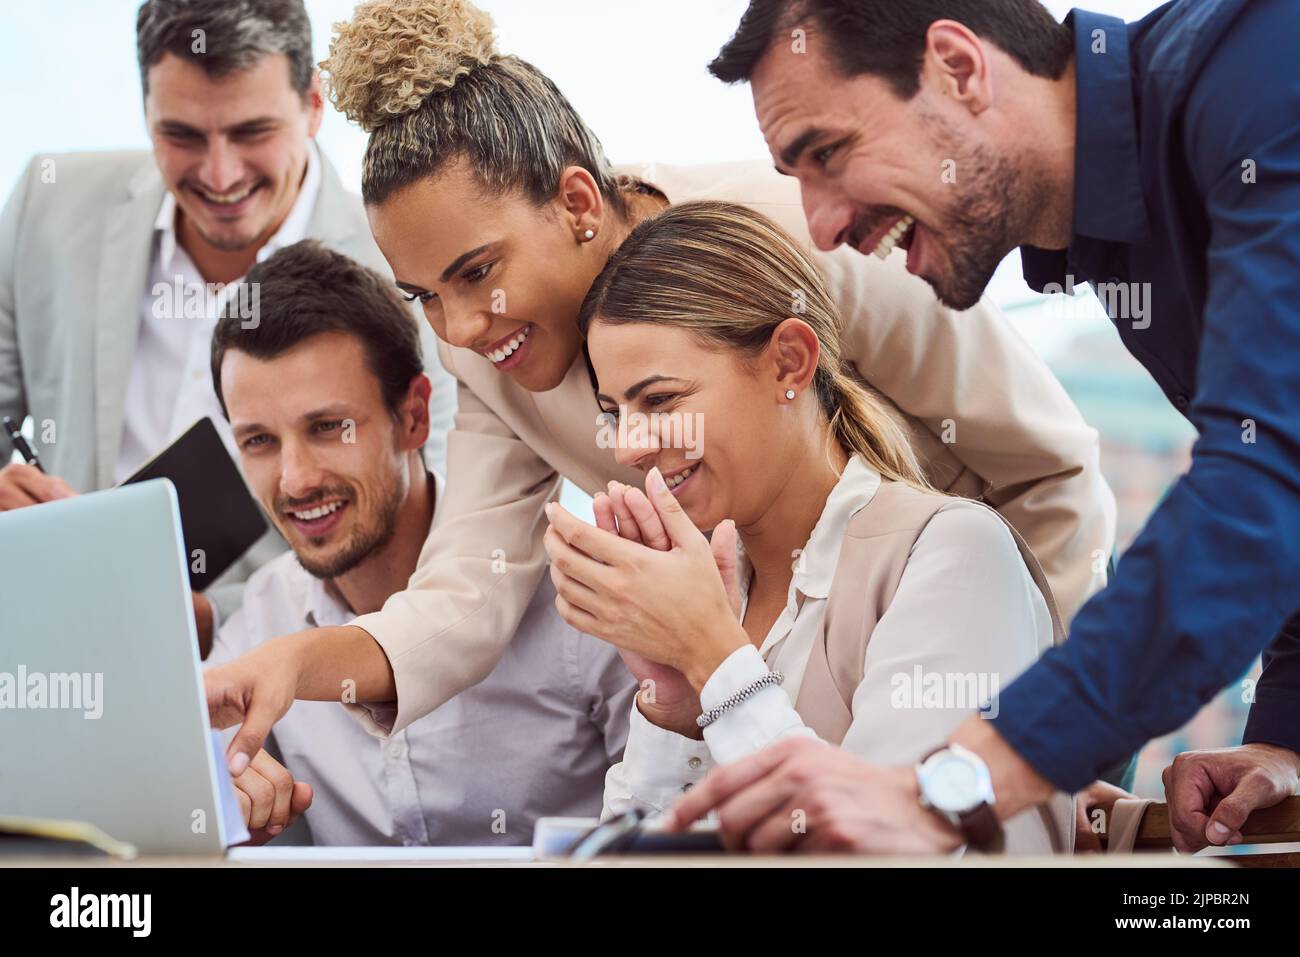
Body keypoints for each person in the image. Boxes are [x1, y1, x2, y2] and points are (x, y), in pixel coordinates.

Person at [202, 0, 1116, 782]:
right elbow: (466, 592)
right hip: (751, 676)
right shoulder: (487, 355)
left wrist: (1054, 732)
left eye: (479, 273)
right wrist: (294, 660)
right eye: (424, 296)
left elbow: (1047, 469)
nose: (462, 329)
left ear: (577, 202)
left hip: (956, 628)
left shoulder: (800, 231)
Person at [669, 0, 1300, 853]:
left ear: (959, 69)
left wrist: (949, 786)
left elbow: (1262, 488)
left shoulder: (1261, 78)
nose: (822, 224)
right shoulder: (1126, 249)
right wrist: (1288, 733)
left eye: (827, 153)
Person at [542, 200, 1073, 853]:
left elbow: (885, 856)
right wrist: (675, 708)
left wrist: (714, 658)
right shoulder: (716, 587)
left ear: (789, 363)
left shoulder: (954, 554)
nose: (627, 446)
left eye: (659, 400)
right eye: (614, 410)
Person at [0, 0, 455, 644]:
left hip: (299, 684)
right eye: (182, 135)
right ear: (146, 113)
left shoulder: (406, 268)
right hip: (42, 637)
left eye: (251, 132)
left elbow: (428, 532)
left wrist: (215, 621)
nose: (219, 175)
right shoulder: (46, 206)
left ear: (314, 106)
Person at [206, 240, 633, 846]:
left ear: (414, 417)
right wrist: (224, 801)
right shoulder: (261, 620)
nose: (295, 479)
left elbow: (675, 823)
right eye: (259, 442)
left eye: (328, 428)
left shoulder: (580, 598)